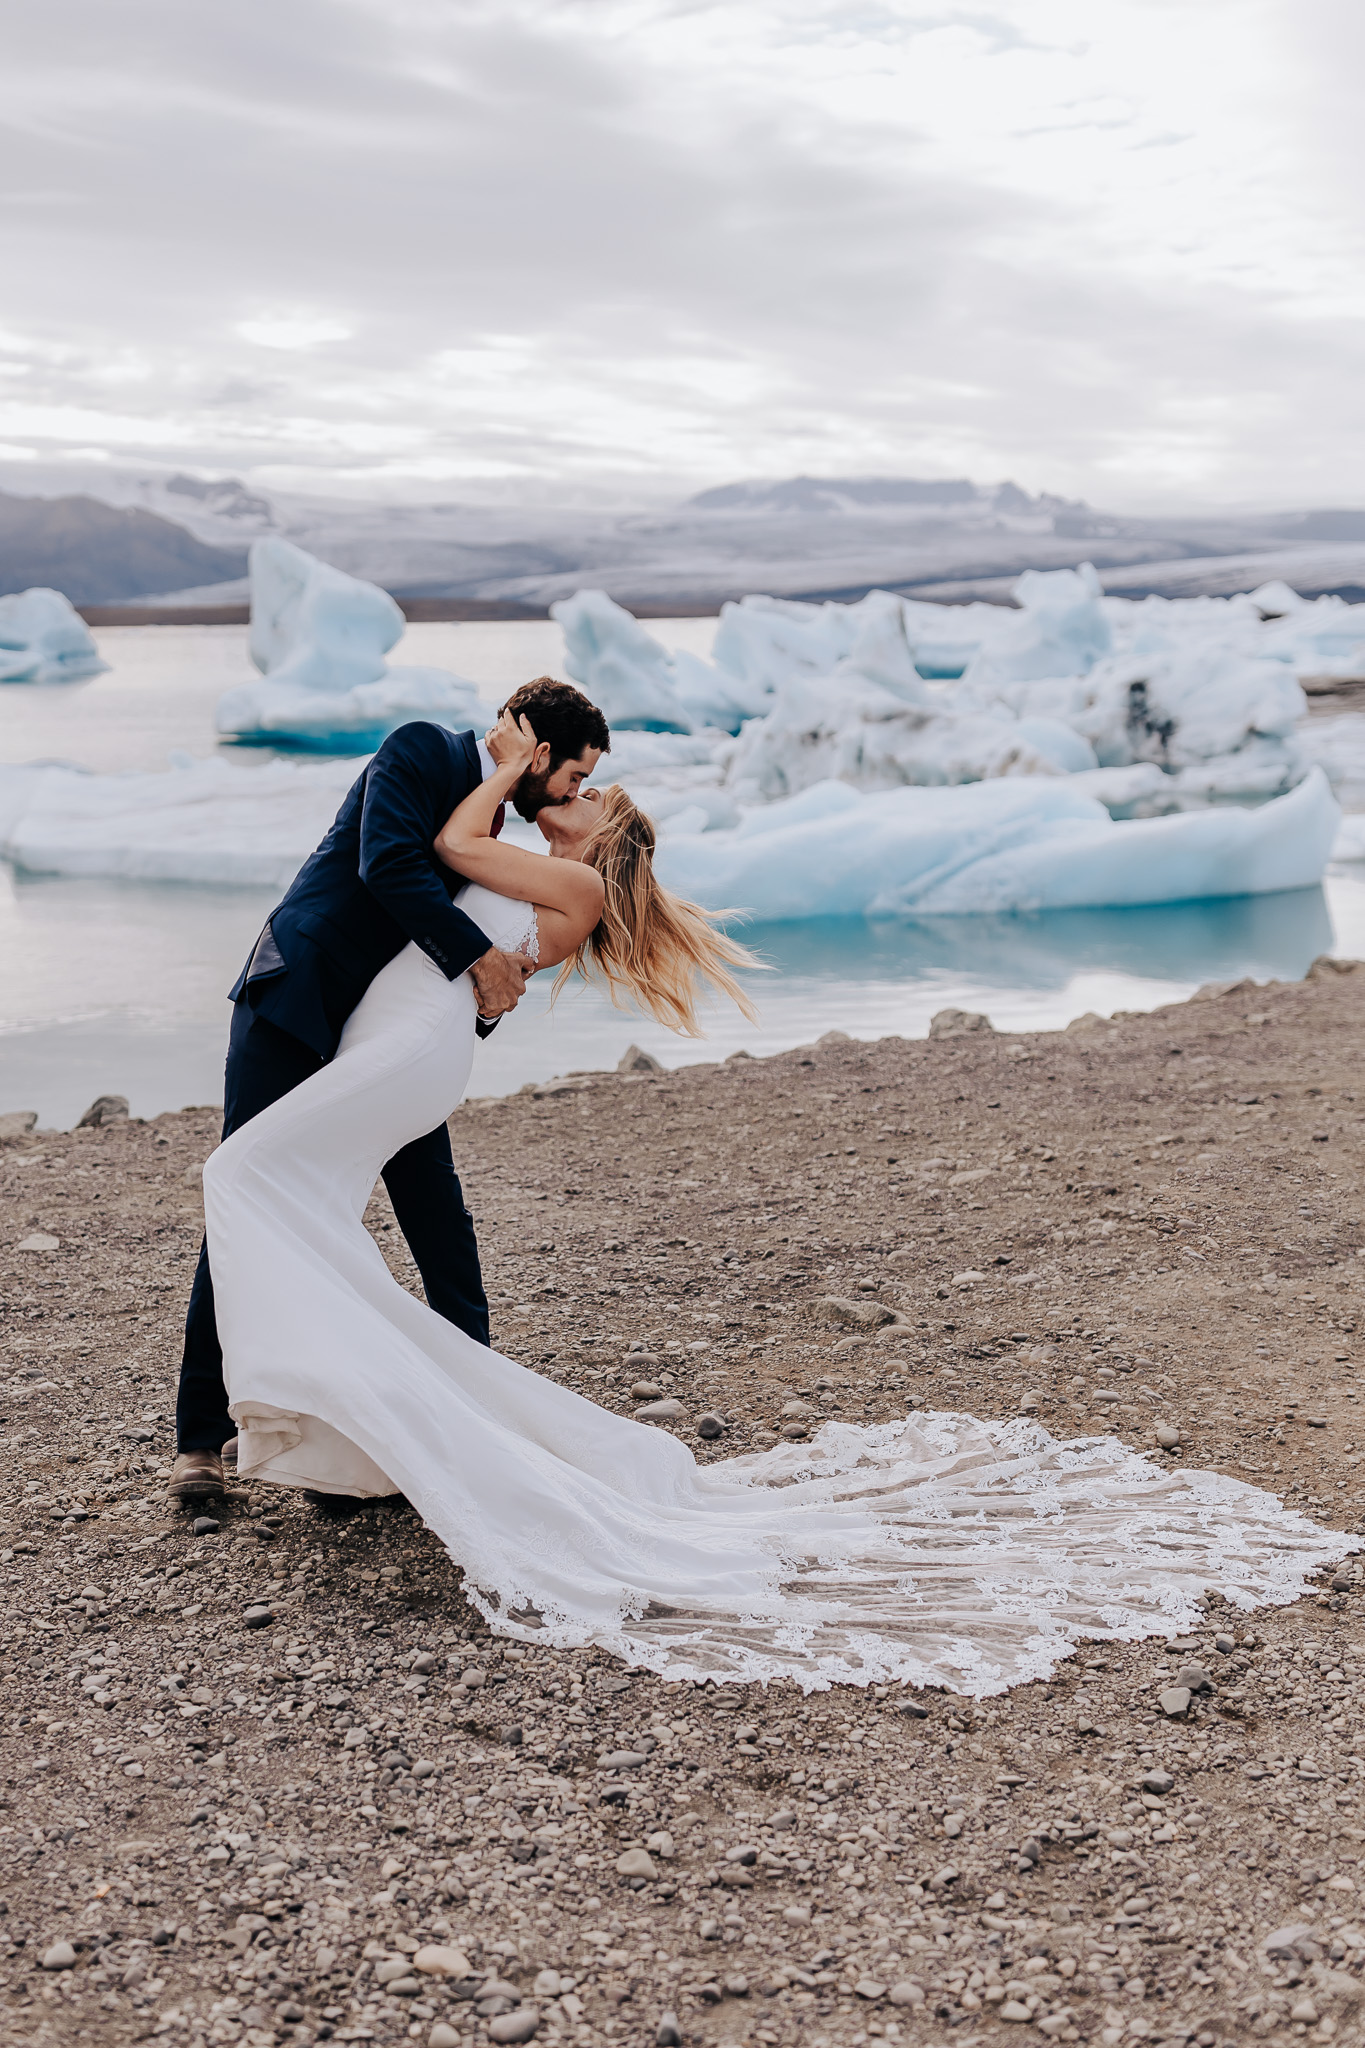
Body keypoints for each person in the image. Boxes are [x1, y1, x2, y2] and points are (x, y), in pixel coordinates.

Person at [196, 713, 1350, 1694]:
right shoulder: (486, 813)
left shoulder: (556, 862)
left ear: (601, 835)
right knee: (297, 1197)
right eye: (583, 776)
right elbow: (423, 879)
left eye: (597, 794)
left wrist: (501, 782)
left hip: (410, 1045)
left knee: (251, 1181)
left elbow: (437, 858)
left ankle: (352, 1426)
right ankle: (367, 1425)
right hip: (388, 1032)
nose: (587, 794)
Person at [168, 678, 609, 1503]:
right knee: (255, 1183)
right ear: (539, 753)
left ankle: (465, 1407)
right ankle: (201, 1440)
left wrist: (482, 989)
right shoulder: (421, 746)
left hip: (388, 1042)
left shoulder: (490, 823)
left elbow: (498, 944)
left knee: (435, 1211)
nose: (572, 793)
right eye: (573, 776)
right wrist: (477, 960)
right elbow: (388, 863)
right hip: (301, 998)